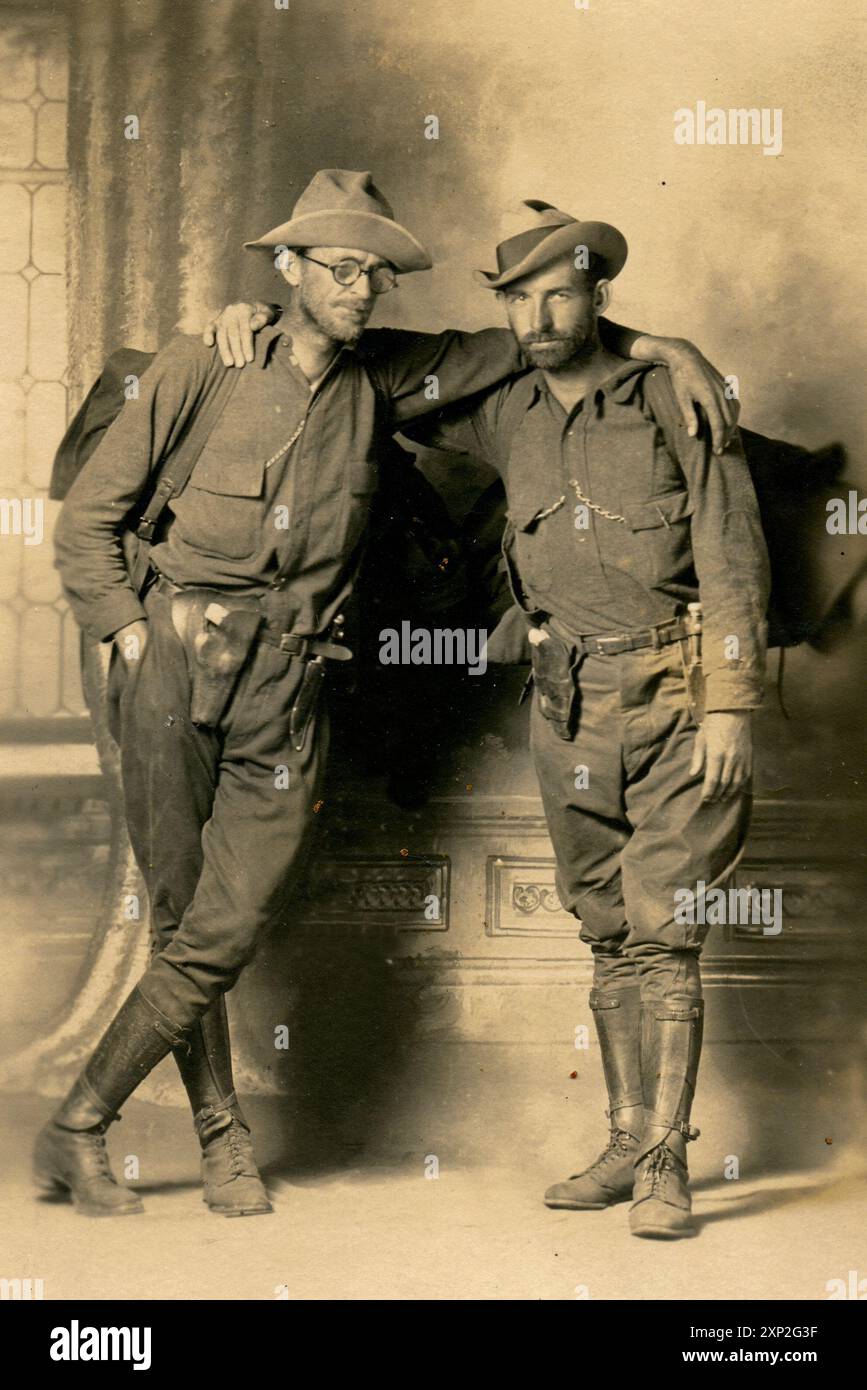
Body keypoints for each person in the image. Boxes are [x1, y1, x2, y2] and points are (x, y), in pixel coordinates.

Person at [38, 171, 734, 1219]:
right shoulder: (204, 362)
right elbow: (89, 520)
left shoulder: (384, 379)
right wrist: (129, 633)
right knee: (181, 909)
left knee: (231, 917)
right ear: (288, 268)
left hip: (291, 682)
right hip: (173, 663)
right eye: (339, 268)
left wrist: (660, 346)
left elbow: (531, 339)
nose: (361, 289)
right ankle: (217, 1132)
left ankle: (78, 1120)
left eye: (375, 272)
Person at [395, 201, 771, 1238]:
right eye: (518, 301)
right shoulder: (502, 407)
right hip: (562, 700)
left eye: (559, 295)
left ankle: (666, 1160)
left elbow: (732, 552)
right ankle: (621, 1141)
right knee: (605, 926)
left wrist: (731, 705)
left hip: (676, 695)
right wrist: (248, 324)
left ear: (598, 294)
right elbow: (381, 383)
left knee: (666, 928)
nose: (539, 318)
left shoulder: (673, 398)